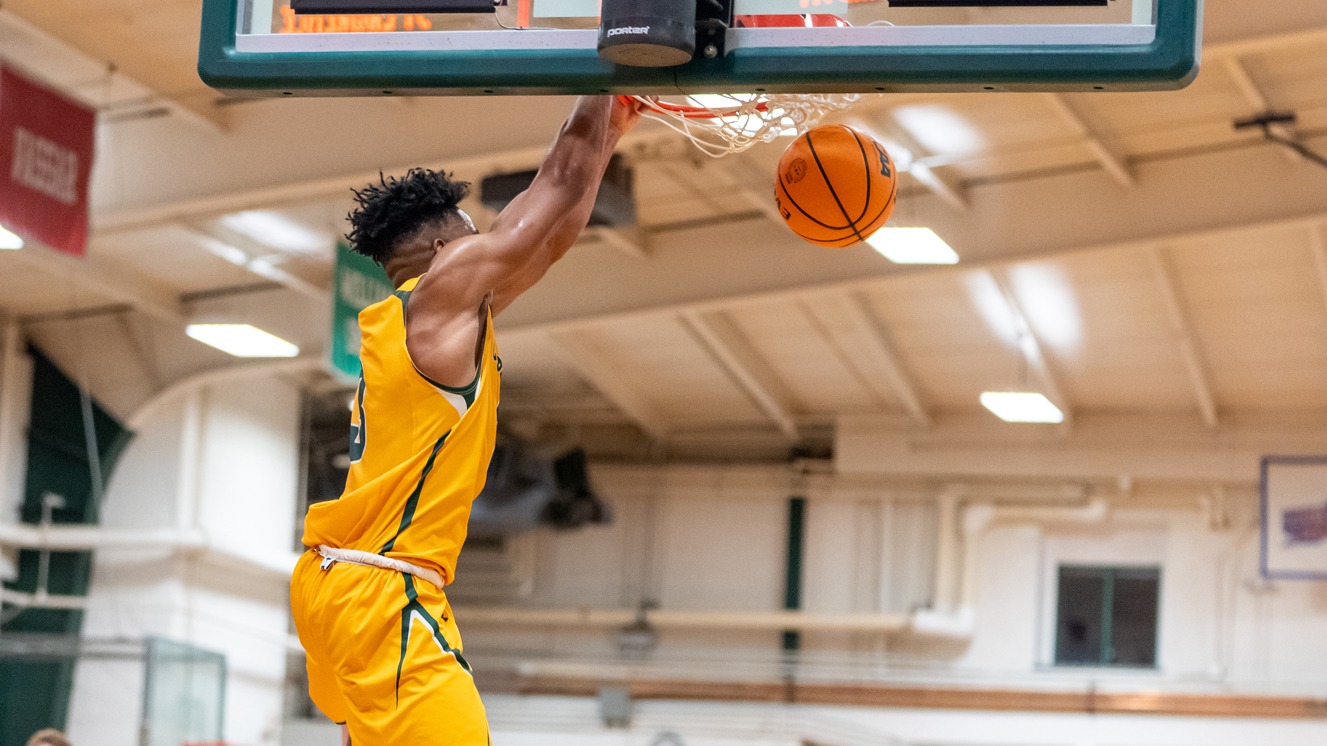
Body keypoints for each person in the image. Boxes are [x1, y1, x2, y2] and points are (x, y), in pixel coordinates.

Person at [290, 95, 644, 745]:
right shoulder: (438, 301)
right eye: (473, 235)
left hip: (336, 581)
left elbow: (550, 237)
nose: (488, 243)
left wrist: (614, 128)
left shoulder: (418, 320)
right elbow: (555, 187)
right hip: (382, 590)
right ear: (441, 249)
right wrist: (605, 89)